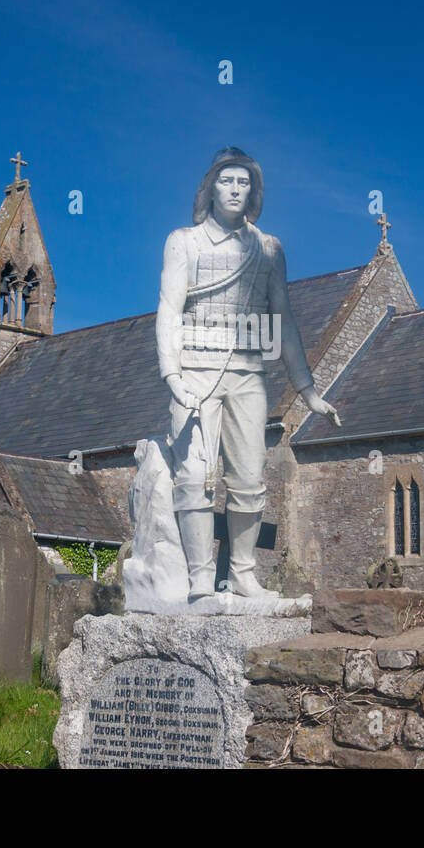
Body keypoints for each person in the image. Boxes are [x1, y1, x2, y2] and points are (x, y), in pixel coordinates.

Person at [155, 148, 340, 600]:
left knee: (249, 479)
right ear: (210, 187)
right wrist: (173, 377)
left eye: (244, 182)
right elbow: (169, 310)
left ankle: (241, 571)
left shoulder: (270, 249)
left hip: (248, 375)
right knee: (194, 475)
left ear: (253, 191)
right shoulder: (183, 241)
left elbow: (285, 320)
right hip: (195, 372)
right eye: (227, 181)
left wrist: (307, 389)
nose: (236, 189)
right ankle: (199, 574)